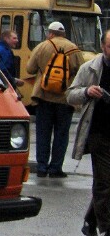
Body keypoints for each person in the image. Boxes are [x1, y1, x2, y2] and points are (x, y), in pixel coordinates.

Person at [67, 28, 110, 236]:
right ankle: (107, 232)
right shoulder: (91, 68)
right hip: (98, 134)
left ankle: (90, 221)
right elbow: (70, 94)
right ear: (103, 47)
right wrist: (87, 92)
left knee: (107, 183)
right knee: (103, 183)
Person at [26, 21, 81, 178]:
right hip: (65, 99)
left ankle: (42, 167)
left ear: (50, 33)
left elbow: (30, 68)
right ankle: (56, 168)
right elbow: (82, 71)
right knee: (61, 134)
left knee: (43, 133)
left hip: (43, 97)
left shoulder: (43, 46)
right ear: (63, 34)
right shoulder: (74, 49)